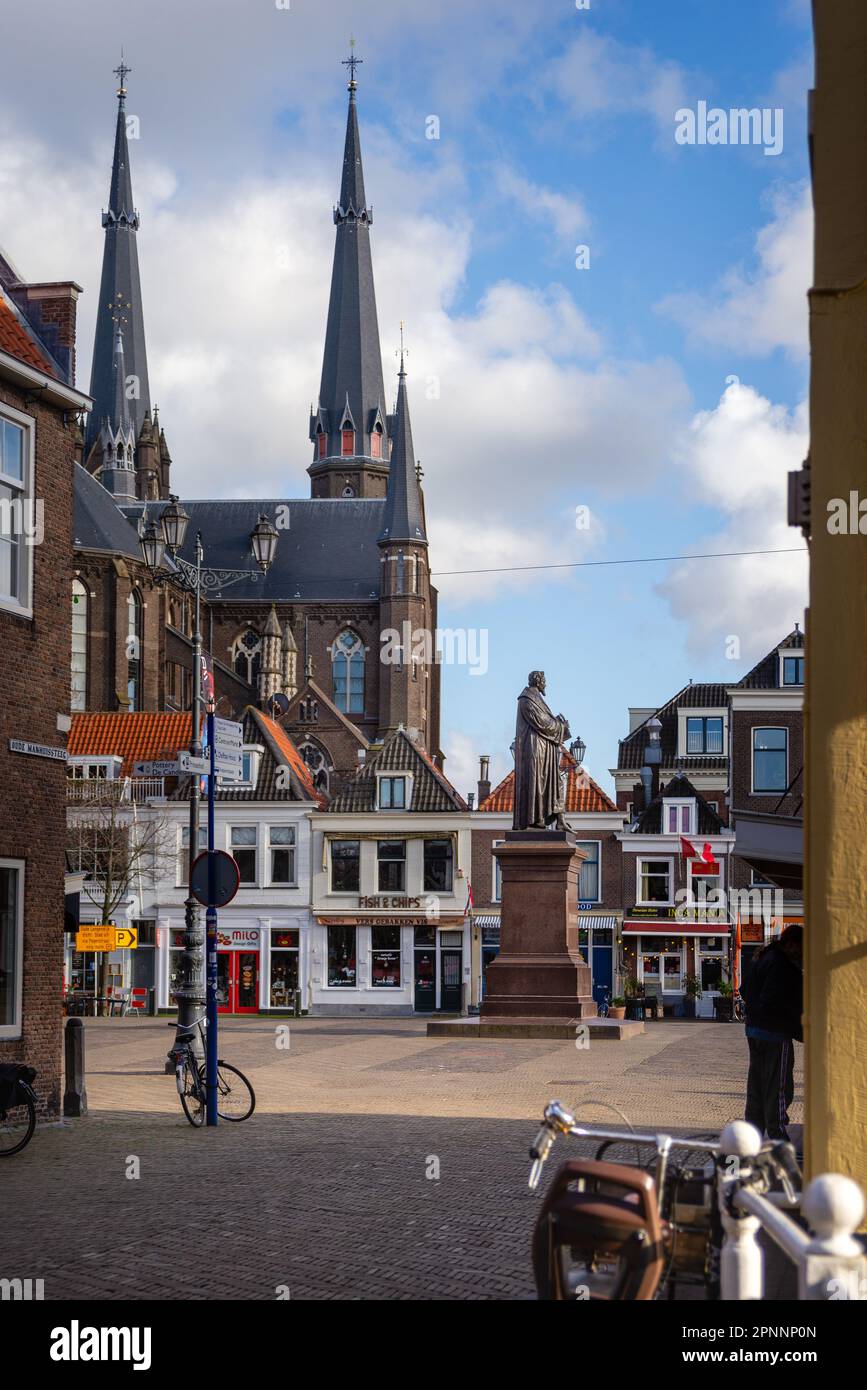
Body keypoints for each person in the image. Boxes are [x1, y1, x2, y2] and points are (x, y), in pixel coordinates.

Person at [742, 924, 803, 1141]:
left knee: (757, 1087)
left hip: (754, 1031)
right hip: (775, 1034)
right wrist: (800, 1029)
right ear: (792, 944)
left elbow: (744, 989)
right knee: (778, 1087)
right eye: (802, 948)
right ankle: (778, 1138)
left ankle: (751, 1137)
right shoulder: (783, 966)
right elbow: (776, 1002)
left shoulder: (763, 957)